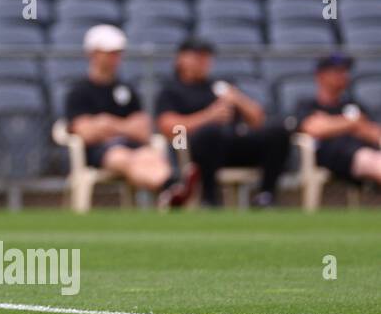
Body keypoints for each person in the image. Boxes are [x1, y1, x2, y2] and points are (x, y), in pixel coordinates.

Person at [63, 24, 197, 210]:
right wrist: (124, 126)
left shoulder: (127, 90)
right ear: (93, 54)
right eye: (109, 52)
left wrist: (108, 124)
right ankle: (171, 186)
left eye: (117, 53)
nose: (115, 58)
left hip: (131, 146)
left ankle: (171, 190)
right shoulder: (79, 92)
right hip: (100, 152)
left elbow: (142, 129)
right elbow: (84, 131)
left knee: (150, 155)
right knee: (121, 157)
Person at [153, 38, 289, 208]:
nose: (204, 62)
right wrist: (208, 116)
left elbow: (258, 119)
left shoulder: (218, 86)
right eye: (197, 56)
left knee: (278, 131)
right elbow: (169, 127)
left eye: (206, 57)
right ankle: (209, 199)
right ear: (181, 59)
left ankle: (265, 196)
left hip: (233, 145)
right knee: (210, 133)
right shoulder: (171, 91)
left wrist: (238, 99)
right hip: (197, 151)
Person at [295, 54, 381, 187]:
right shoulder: (308, 105)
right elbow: (314, 128)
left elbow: (375, 133)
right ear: (320, 76)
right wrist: (353, 123)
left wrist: (332, 123)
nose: (343, 76)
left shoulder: (354, 104)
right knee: (372, 161)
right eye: (336, 71)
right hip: (335, 156)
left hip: (366, 151)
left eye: (345, 71)